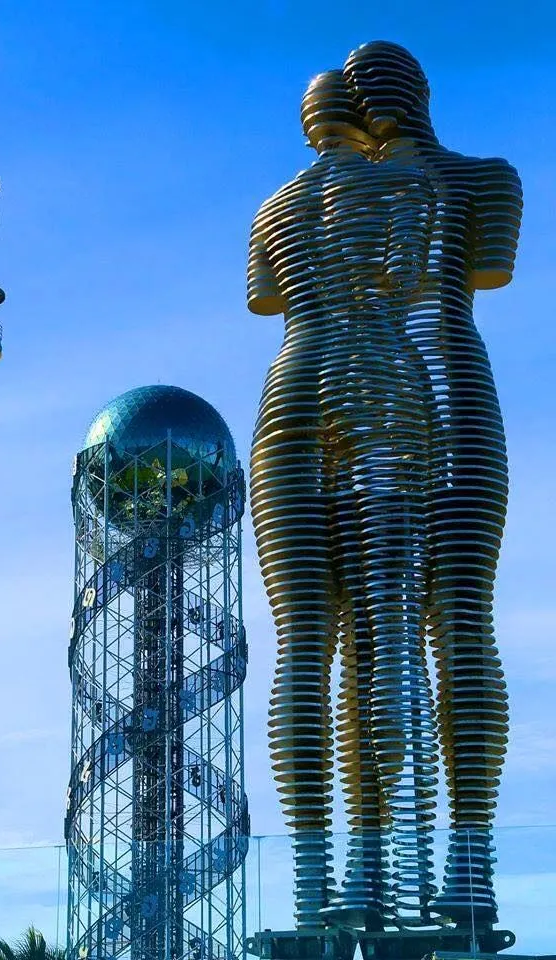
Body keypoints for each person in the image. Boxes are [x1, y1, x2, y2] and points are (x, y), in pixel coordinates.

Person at [249, 69, 439, 928]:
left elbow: (263, 299)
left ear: (305, 124)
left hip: (289, 389)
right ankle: (379, 870)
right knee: (388, 629)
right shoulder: (402, 184)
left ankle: (314, 887)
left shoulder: (271, 205)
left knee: (302, 639)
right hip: (377, 379)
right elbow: (409, 286)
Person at [343, 40, 522, 925]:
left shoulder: (485, 178)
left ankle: (462, 864)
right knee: (399, 635)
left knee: (444, 623)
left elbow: (484, 274)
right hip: (383, 408)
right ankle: (400, 867)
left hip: (431, 395)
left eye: (368, 85)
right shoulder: (350, 201)